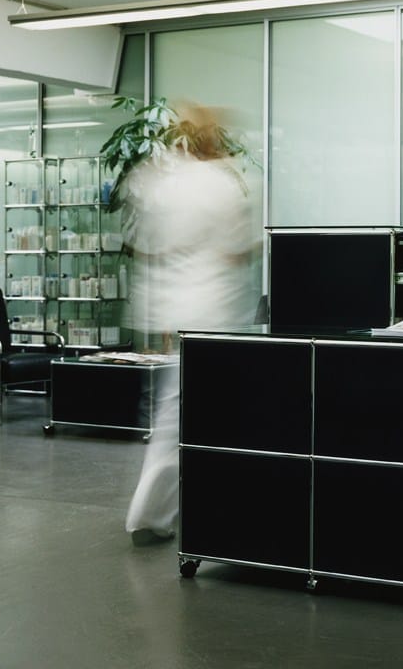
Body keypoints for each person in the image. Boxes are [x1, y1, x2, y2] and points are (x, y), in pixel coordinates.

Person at [123, 102, 258, 544]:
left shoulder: (162, 180)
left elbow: (144, 247)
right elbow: (240, 248)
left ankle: (191, 511)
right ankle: (155, 515)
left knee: (185, 415)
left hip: (180, 310)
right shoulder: (220, 184)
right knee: (189, 418)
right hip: (214, 314)